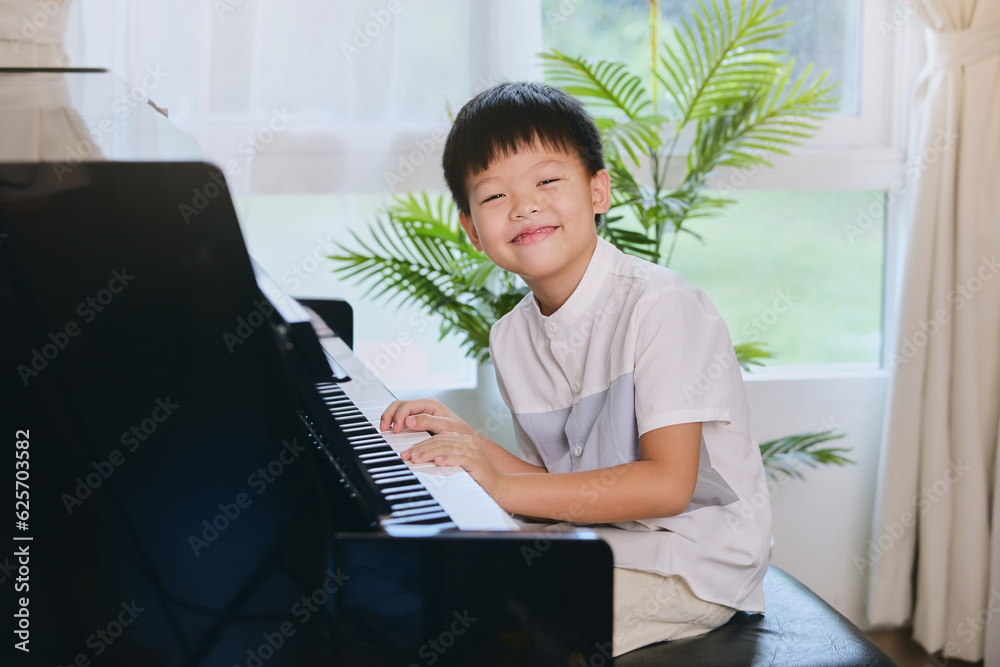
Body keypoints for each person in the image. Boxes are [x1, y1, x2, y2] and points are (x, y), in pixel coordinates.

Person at [379, 81, 771, 657]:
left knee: (490, 637)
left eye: (546, 180)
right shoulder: (510, 336)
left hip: (689, 566)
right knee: (415, 604)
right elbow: (551, 487)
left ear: (598, 190)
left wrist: (501, 484)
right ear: (471, 232)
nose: (524, 206)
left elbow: (667, 486)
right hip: (595, 547)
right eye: (493, 197)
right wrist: (468, 443)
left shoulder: (662, 305)